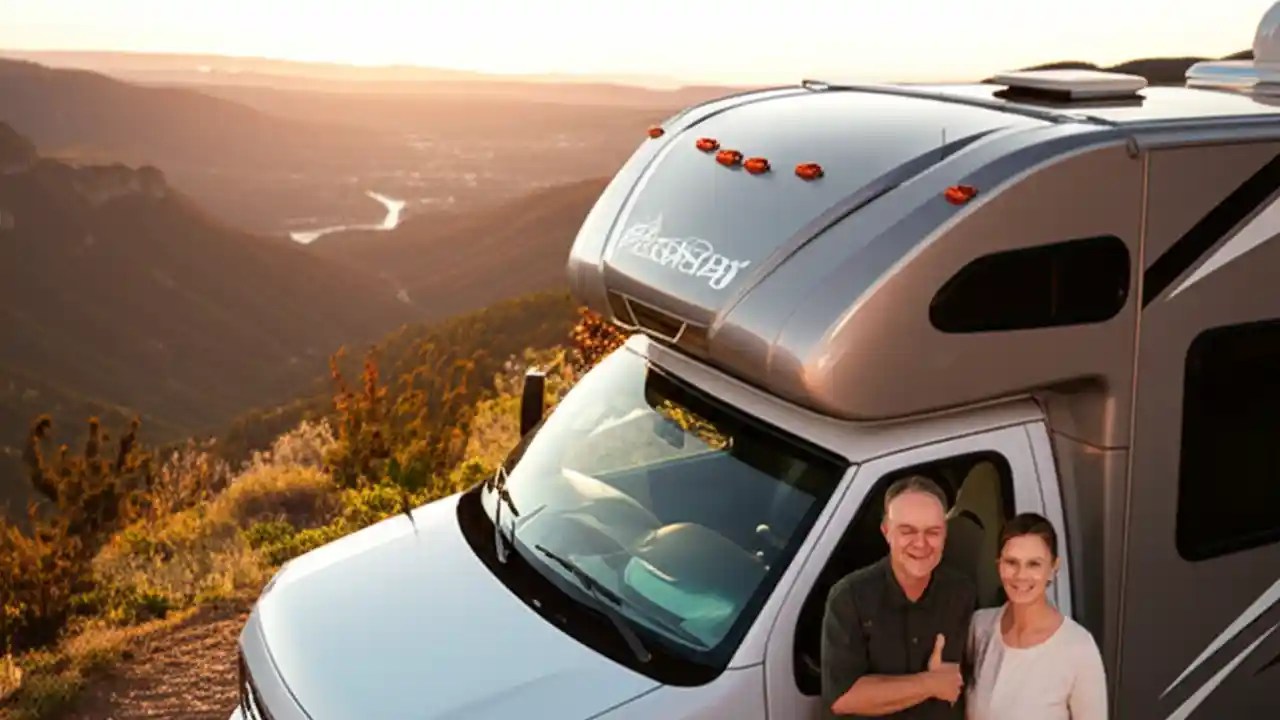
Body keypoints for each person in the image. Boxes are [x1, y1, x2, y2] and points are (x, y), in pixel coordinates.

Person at [822, 474, 978, 718]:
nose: (921, 543)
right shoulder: (849, 596)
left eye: (933, 532)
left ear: (945, 533)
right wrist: (931, 683)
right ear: (886, 531)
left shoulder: (962, 593)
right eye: (907, 531)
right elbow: (844, 698)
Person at [965, 513, 1108, 720]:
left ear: (1053, 568)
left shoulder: (1078, 648)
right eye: (1011, 562)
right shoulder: (980, 627)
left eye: (1034, 564)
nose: (1021, 575)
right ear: (999, 565)